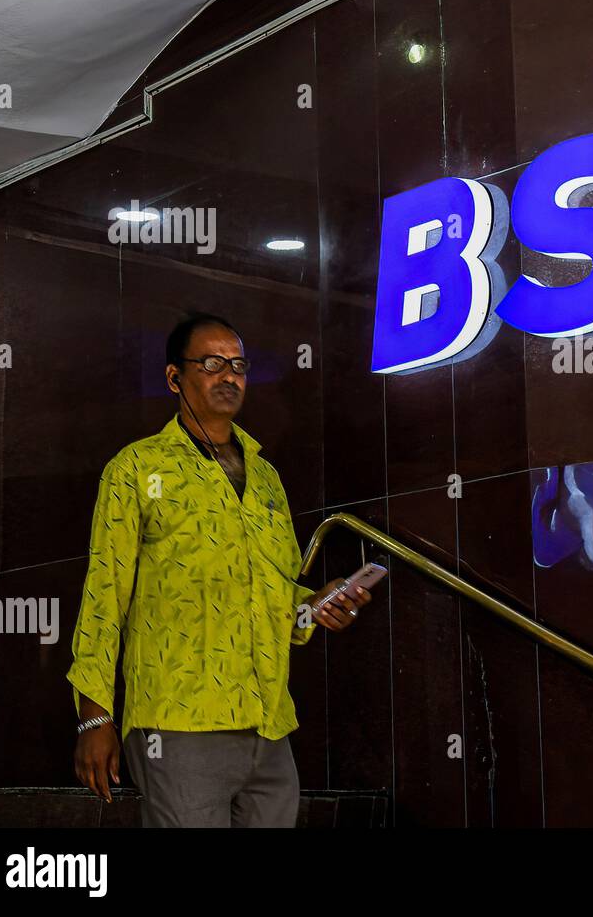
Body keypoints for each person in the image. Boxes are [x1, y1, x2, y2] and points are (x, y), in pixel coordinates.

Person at [66, 312, 369, 827]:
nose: (229, 376)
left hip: (269, 724)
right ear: (174, 378)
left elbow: (275, 592)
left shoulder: (266, 476)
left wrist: (315, 607)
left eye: (238, 365)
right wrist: (94, 717)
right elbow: (104, 596)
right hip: (179, 724)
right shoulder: (137, 469)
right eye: (211, 363)